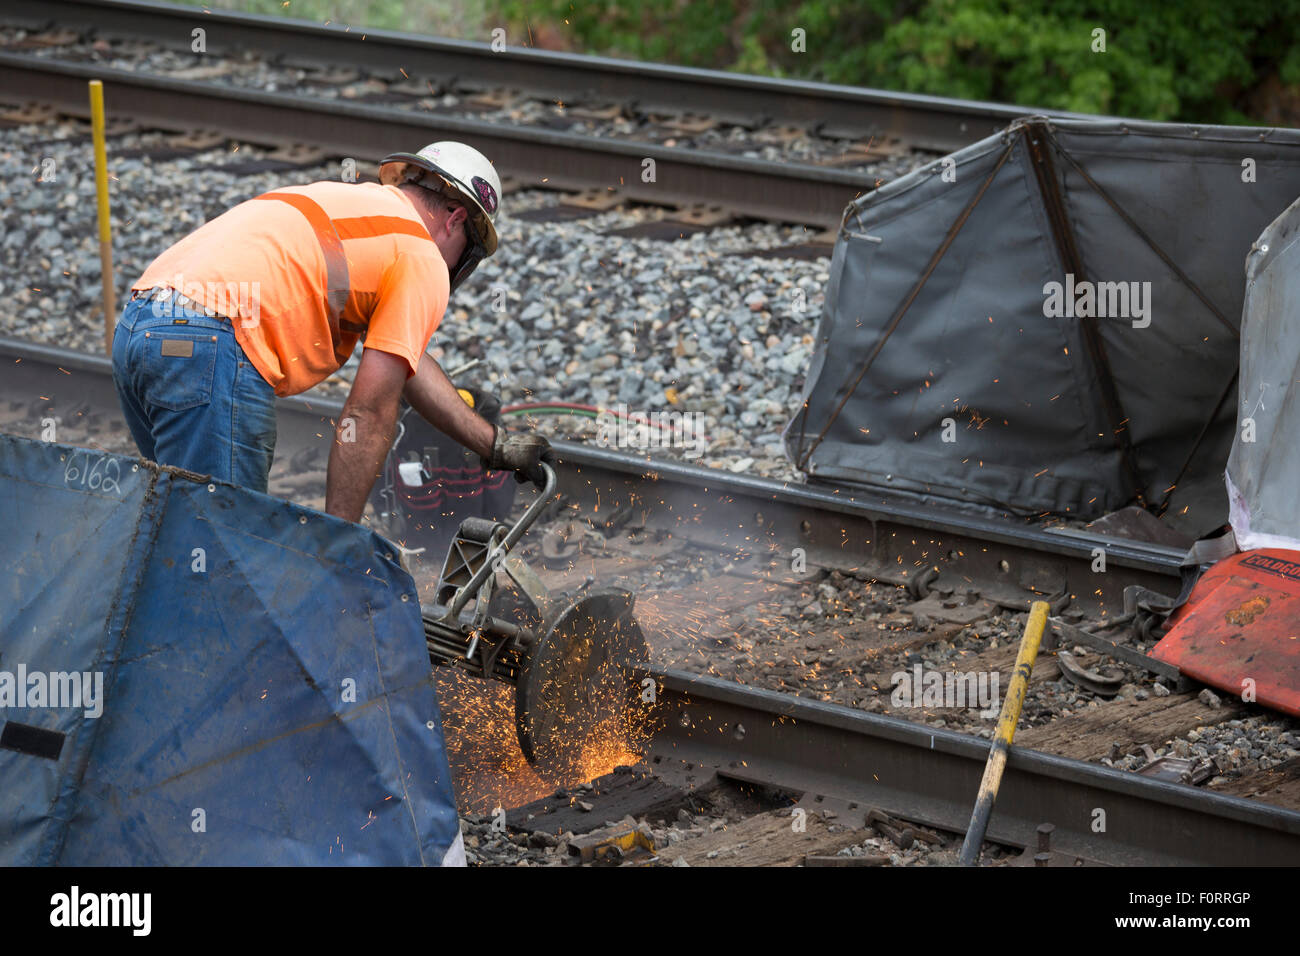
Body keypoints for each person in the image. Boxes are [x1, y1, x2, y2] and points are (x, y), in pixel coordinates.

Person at [111, 141, 553, 521]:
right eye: (466, 252)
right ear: (455, 219)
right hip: (213, 344)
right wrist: (338, 548)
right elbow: (368, 414)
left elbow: (408, 367)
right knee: (224, 544)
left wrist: (495, 446)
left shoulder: (351, 207)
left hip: (140, 327)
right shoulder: (421, 255)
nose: (455, 266)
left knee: (182, 524)